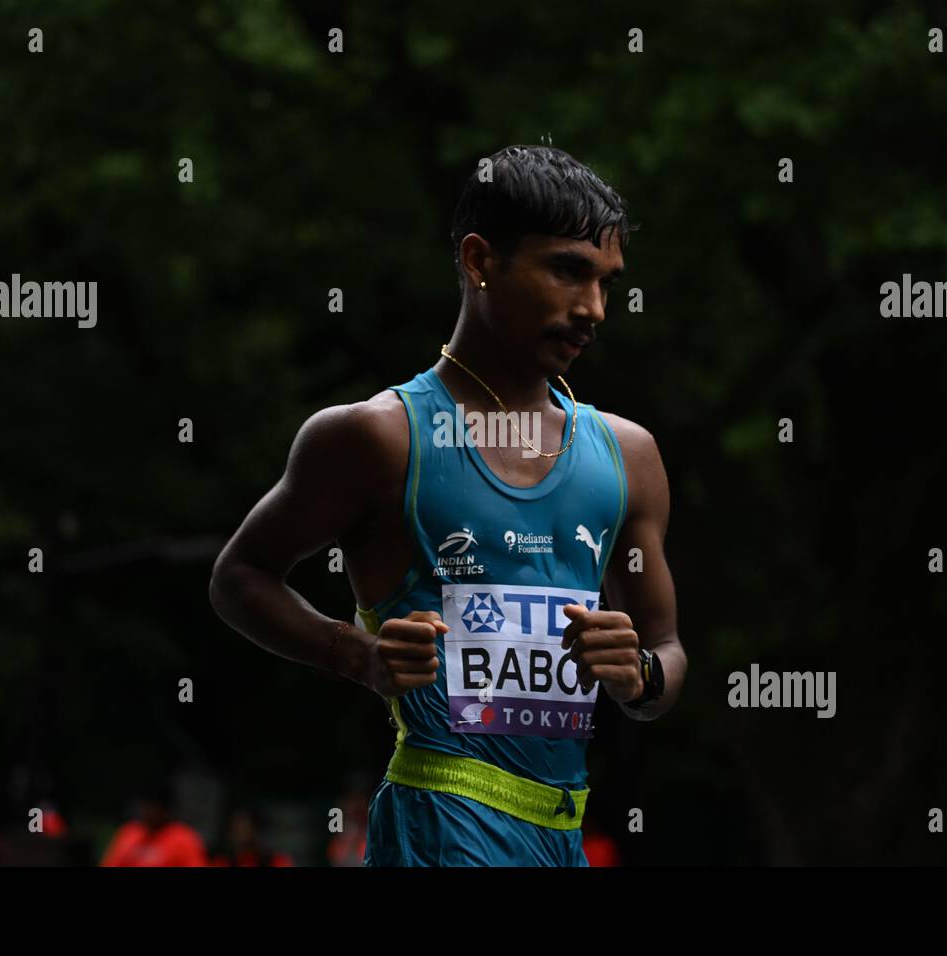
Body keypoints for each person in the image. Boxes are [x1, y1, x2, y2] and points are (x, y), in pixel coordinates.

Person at [210, 145, 685, 866]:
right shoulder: (379, 438)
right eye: (568, 271)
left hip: (563, 834)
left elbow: (666, 655)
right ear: (479, 261)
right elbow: (238, 576)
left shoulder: (629, 457)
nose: (593, 309)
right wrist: (355, 655)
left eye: (608, 283)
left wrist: (639, 674)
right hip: (441, 827)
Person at [100, 784, 207, 867]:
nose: (144, 812)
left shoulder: (185, 839)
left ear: (166, 811)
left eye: (150, 808)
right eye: (143, 806)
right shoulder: (130, 832)